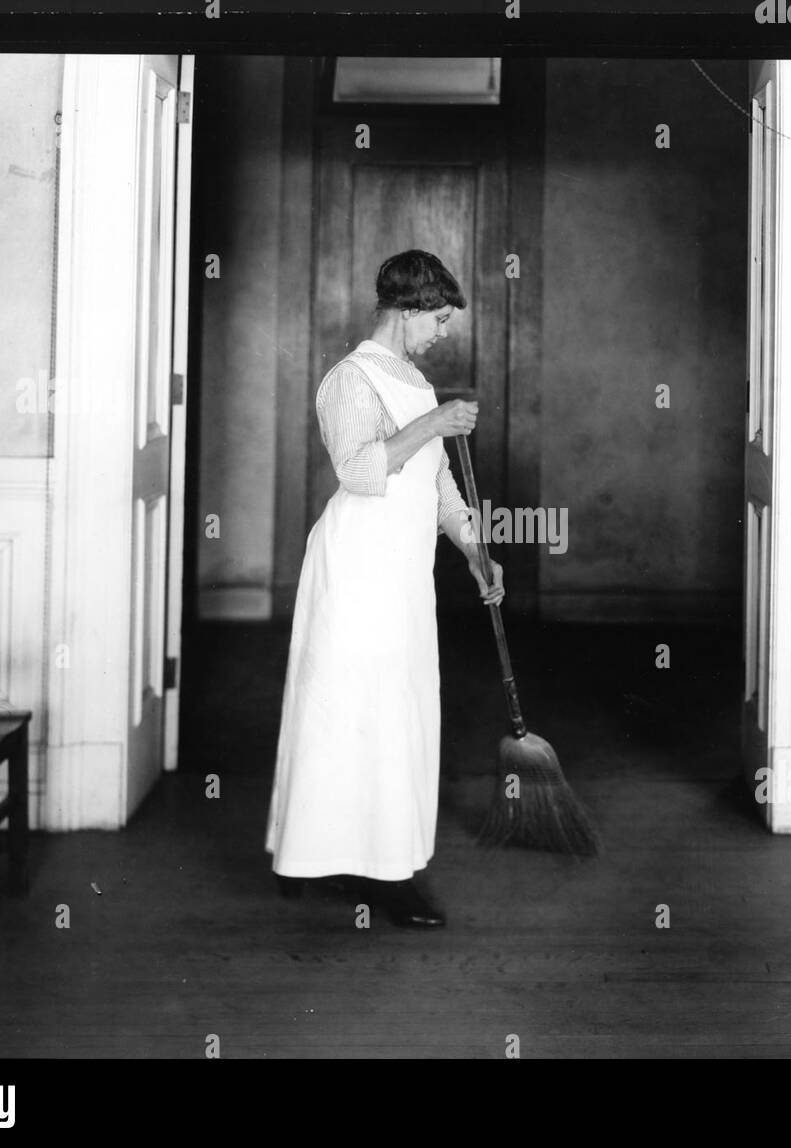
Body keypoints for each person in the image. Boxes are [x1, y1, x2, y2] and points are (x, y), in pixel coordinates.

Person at [265, 250, 503, 928]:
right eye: (440, 319)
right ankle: (334, 861)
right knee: (344, 712)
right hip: (355, 569)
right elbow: (361, 471)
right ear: (406, 311)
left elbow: (438, 484)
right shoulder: (349, 378)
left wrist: (473, 549)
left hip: (400, 576)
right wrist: (433, 425)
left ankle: (372, 860)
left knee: (395, 715)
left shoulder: (415, 382)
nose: (444, 332)